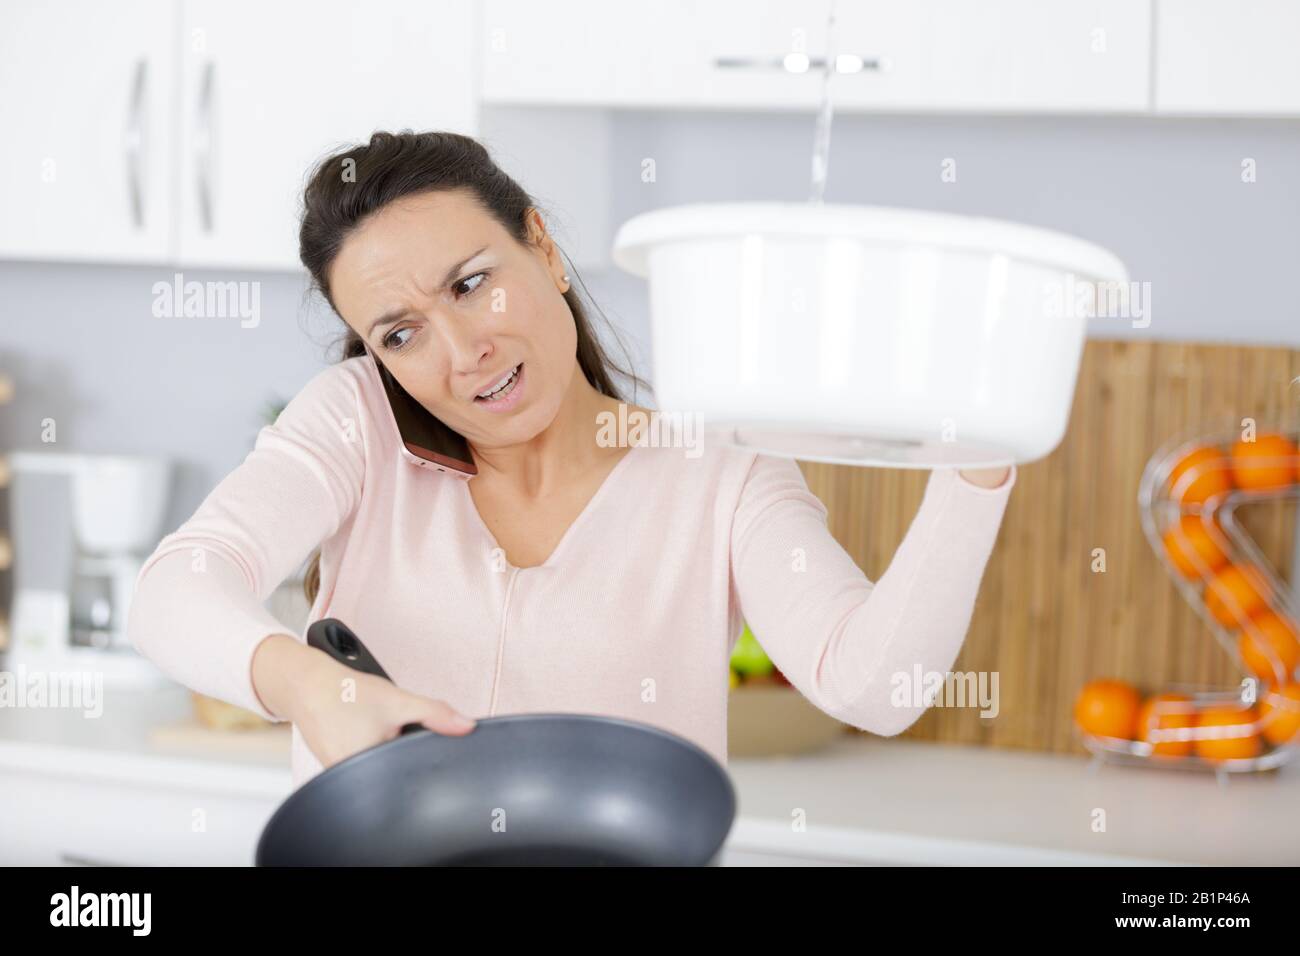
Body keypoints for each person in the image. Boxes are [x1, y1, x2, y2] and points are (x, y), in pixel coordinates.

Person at [127, 130, 1015, 789]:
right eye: (401, 334)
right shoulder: (359, 424)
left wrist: (975, 462)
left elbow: (876, 687)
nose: (463, 350)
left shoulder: (715, 468)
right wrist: (308, 688)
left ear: (543, 246)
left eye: (471, 284)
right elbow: (175, 590)